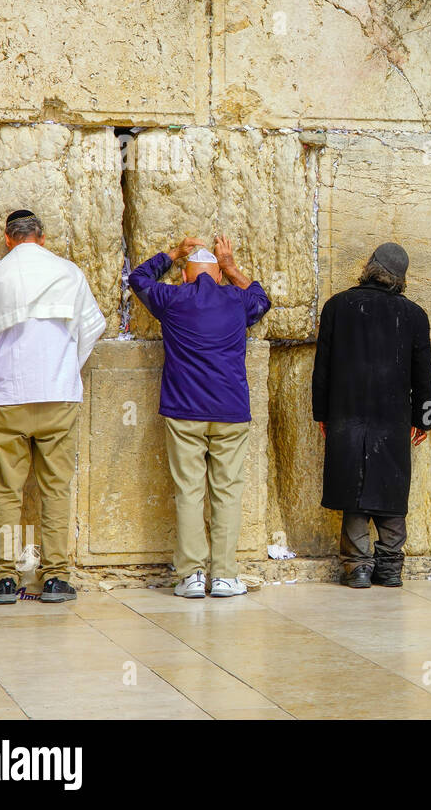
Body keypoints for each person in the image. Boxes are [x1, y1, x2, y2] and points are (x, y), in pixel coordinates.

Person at [0, 209, 106, 605]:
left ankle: (4, 579)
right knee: (56, 488)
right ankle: (56, 578)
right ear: (41, 238)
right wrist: (65, 366)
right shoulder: (69, 273)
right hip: (58, 393)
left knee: (6, 491)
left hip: (9, 395)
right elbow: (91, 328)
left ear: (7, 238)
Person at [130, 236, 270, 598]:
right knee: (227, 493)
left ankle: (191, 576)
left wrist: (173, 254)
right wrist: (231, 266)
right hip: (230, 411)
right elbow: (261, 299)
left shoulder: (172, 298)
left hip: (184, 411)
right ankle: (224, 576)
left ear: (185, 277)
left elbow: (138, 278)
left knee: (189, 492)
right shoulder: (237, 299)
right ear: (218, 276)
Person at [314, 243, 431, 589]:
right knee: (391, 487)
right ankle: (391, 567)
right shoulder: (414, 315)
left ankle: (358, 568)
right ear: (401, 278)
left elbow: (322, 369)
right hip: (392, 420)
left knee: (352, 488)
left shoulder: (337, 306)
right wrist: (424, 419)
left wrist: (321, 413)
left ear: (369, 267)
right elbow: (424, 376)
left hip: (346, 415)